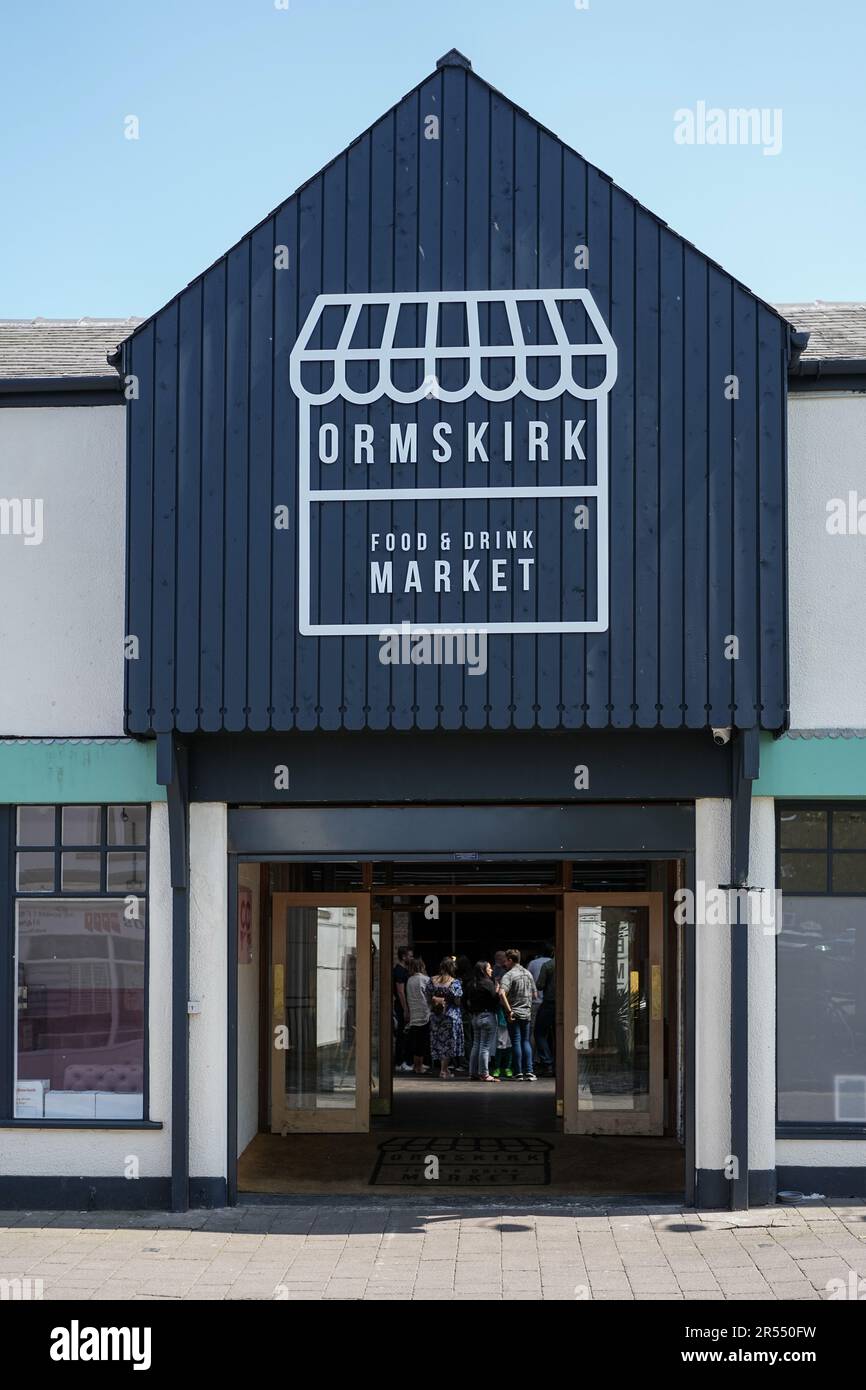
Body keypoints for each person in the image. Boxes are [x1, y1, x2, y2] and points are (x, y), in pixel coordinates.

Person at [500, 948, 538, 1080]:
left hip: (514, 1013)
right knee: (525, 1041)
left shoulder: (509, 975)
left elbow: (501, 993)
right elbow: (535, 994)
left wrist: (509, 1010)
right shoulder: (528, 973)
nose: (504, 963)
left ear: (510, 960)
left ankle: (518, 1072)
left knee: (516, 1041)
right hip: (526, 1013)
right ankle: (529, 1071)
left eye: (506, 961)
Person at [426, 959, 464, 1079]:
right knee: (448, 1043)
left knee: (438, 1041)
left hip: (436, 1015)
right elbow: (457, 1000)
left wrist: (436, 1000)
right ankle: (443, 1070)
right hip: (450, 1015)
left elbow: (427, 995)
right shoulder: (455, 982)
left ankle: (444, 1069)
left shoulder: (432, 980)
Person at [466, 960, 502, 1081]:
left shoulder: (471, 984)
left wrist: (470, 1011)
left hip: (475, 1017)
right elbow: (495, 1000)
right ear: (483, 970)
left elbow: (463, 1000)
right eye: (489, 968)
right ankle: (484, 1074)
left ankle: (473, 1072)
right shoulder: (488, 983)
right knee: (485, 1046)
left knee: (476, 1045)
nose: (491, 970)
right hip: (487, 1016)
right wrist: (497, 990)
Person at [528, 942, 553, 1069]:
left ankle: (533, 1060)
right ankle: (545, 1059)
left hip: (537, 1001)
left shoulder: (535, 963)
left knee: (535, 1032)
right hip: (551, 1002)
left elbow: (534, 983)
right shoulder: (556, 963)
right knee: (549, 1033)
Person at [405, 957, 431, 1074]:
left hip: (414, 1013)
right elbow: (430, 995)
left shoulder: (409, 980)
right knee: (422, 1042)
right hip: (424, 1012)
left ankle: (416, 1066)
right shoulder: (426, 979)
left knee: (415, 1042)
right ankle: (419, 1067)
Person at [534, 950, 556, 1076]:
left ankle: (547, 1063)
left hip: (549, 1003)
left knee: (540, 1033)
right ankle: (558, 1064)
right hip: (564, 1004)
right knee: (559, 1034)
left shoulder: (548, 965)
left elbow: (540, 985)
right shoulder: (571, 964)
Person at [392, 945, 413, 1072]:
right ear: (404, 956)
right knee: (401, 1034)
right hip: (401, 1006)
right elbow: (400, 992)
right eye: (410, 956)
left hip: (404, 1006)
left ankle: (404, 1061)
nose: (411, 958)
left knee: (405, 1034)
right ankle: (400, 1062)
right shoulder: (399, 971)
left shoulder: (404, 970)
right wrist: (405, 1009)